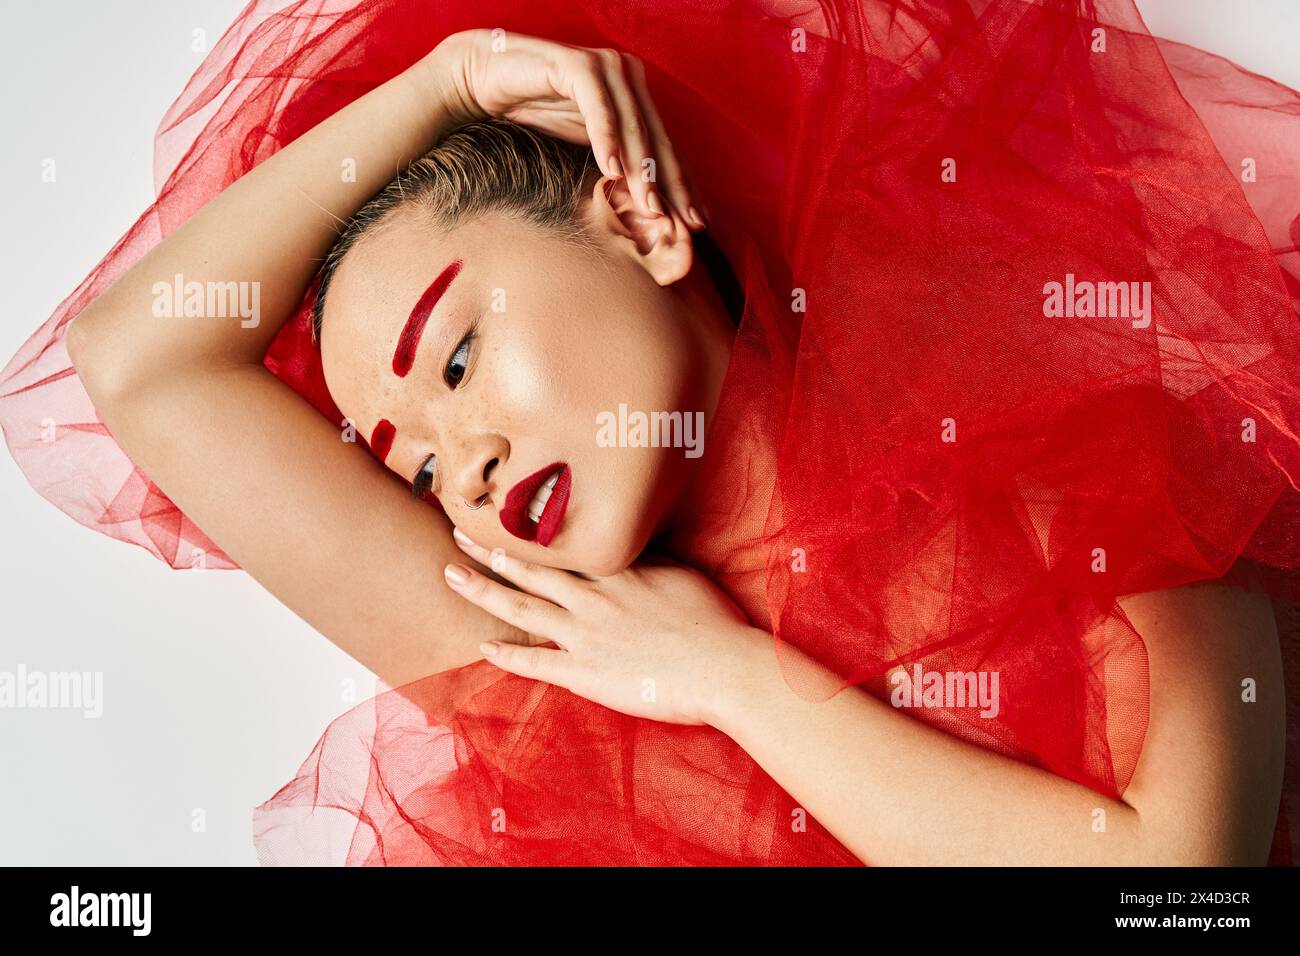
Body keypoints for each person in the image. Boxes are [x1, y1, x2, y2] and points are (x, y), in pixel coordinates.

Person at [5, 1, 1300, 865]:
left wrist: (735, 684)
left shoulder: (1072, 445)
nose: (462, 470)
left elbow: (1178, 881)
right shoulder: (551, 662)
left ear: (640, 219)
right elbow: (143, 359)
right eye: (411, 466)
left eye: (455, 361)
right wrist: (441, 79)